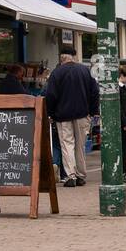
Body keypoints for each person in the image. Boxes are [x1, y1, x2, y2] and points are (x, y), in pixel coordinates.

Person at [43, 53, 99, 187]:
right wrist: (93, 111)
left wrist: (50, 113)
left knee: (67, 145)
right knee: (80, 145)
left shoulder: (56, 73)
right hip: (82, 114)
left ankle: (70, 176)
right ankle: (81, 175)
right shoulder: (85, 70)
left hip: (62, 116)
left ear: (61, 59)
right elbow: (94, 91)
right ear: (73, 57)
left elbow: (50, 95)